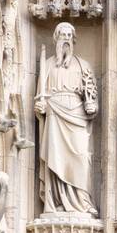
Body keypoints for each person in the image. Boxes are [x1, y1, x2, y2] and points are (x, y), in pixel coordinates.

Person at [36, 22, 98, 216]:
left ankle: (82, 201)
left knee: (81, 157)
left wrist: (92, 107)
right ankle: (56, 202)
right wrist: (40, 108)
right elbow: (40, 99)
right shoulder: (46, 66)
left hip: (77, 117)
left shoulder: (83, 65)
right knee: (55, 159)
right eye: (62, 35)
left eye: (69, 36)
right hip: (55, 115)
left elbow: (92, 99)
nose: (66, 39)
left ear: (74, 40)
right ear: (56, 38)